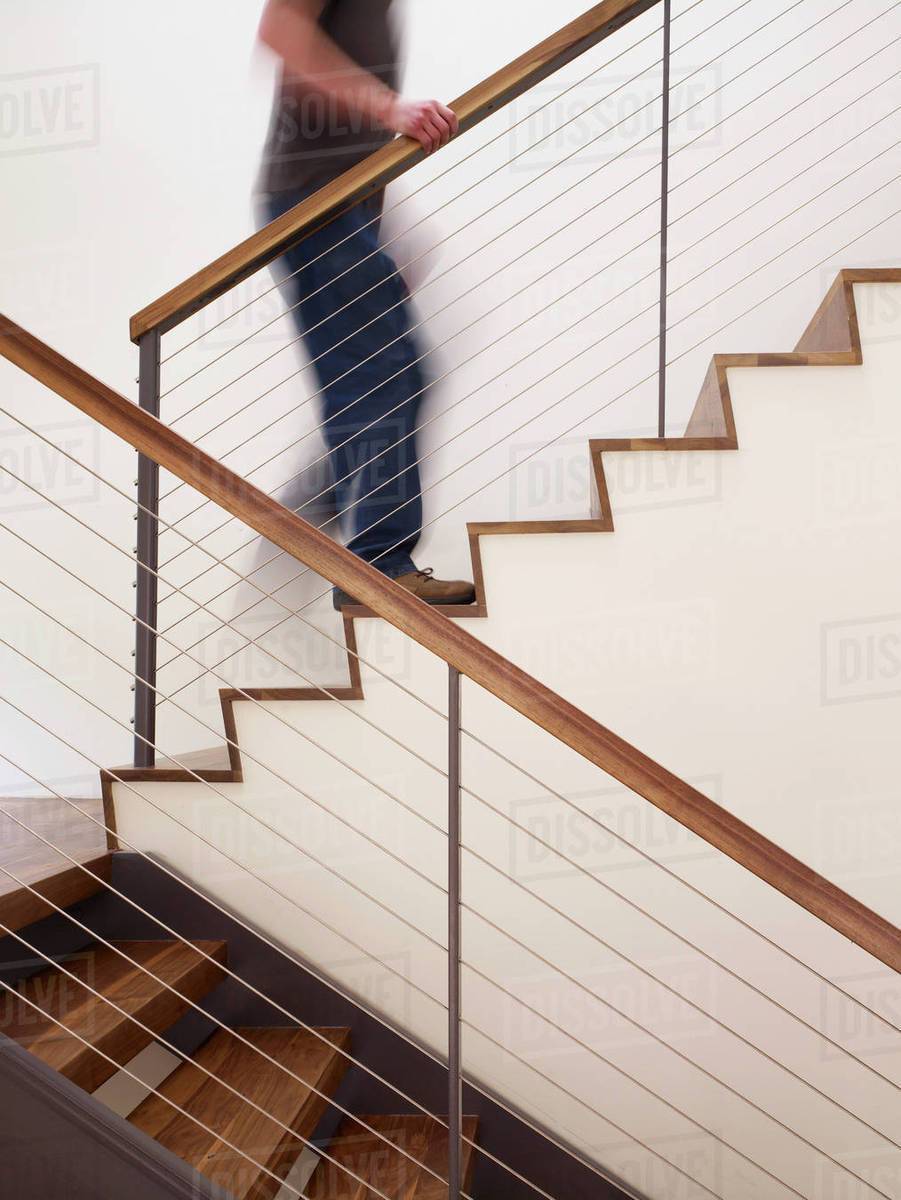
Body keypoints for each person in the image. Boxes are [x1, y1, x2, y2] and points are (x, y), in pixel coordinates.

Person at [256, 0, 476, 610]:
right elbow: (280, 34)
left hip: (339, 204)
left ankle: (316, 523)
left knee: (389, 379)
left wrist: (388, 219)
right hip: (314, 204)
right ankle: (374, 560)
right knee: (386, 379)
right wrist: (390, 107)